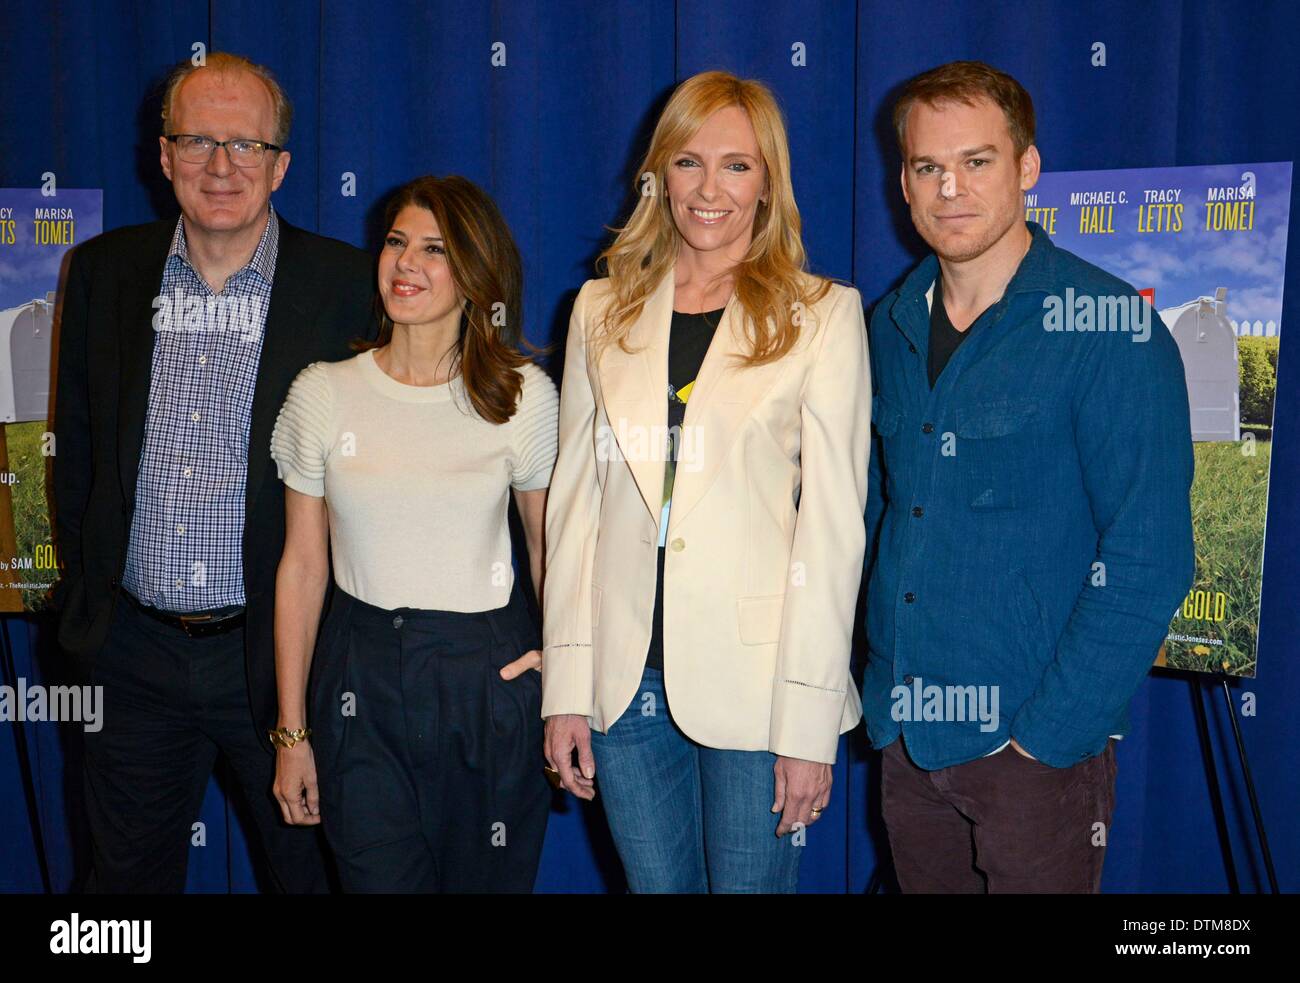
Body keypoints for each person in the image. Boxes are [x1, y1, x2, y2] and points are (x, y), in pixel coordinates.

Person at [862, 60, 1195, 893]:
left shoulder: (1111, 330)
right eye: (927, 167)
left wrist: (1047, 737)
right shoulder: (886, 324)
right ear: (903, 179)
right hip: (906, 742)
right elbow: (877, 517)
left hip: (1033, 759)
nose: (949, 190)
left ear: (1027, 168)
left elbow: (1150, 557)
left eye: (976, 162)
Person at [51, 52, 374, 893]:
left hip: (281, 661)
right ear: (162, 158)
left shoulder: (347, 289)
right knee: (117, 898)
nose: (221, 167)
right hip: (132, 657)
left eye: (245, 145)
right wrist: (90, 618)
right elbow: (76, 453)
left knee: (314, 877)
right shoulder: (103, 274)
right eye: (196, 141)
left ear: (281, 165)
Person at [542, 70, 870, 893]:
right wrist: (566, 687)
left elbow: (833, 532)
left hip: (759, 688)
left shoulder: (823, 315)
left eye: (737, 165)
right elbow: (575, 513)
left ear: (768, 183)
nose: (709, 188)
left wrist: (809, 723)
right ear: (658, 176)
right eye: (688, 162)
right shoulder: (598, 310)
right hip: (623, 683)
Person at [269, 175, 557, 893]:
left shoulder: (521, 397)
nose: (407, 264)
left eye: (435, 249)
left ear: (474, 273)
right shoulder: (323, 391)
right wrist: (292, 731)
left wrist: (564, 677)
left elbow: (550, 548)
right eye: (397, 242)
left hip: (487, 681)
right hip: (357, 680)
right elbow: (302, 567)